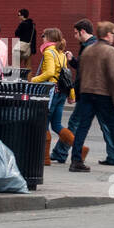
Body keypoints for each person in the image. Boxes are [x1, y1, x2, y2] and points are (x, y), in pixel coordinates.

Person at [68, 21, 114, 173]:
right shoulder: (111, 51)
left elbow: (81, 73)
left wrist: (78, 92)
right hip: (103, 94)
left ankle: (76, 160)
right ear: (108, 34)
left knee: (83, 127)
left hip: (87, 93)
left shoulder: (88, 50)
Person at [54, 19, 114, 166]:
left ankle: (61, 153)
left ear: (83, 31)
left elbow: (86, 73)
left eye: (76, 33)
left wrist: (74, 91)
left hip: (89, 92)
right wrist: (73, 61)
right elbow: (84, 67)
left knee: (75, 124)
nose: (74, 36)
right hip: (98, 93)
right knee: (104, 124)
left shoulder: (90, 46)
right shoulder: (89, 45)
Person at [28, 27, 72, 165]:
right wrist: (71, 94)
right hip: (62, 93)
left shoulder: (48, 51)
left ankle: (45, 159)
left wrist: (32, 80)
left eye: (43, 35)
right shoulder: (61, 52)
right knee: (57, 125)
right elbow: (66, 75)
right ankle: (80, 149)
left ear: (49, 38)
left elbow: (49, 73)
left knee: (44, 124)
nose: (42, 38)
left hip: (51, 92)